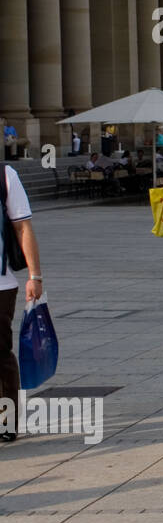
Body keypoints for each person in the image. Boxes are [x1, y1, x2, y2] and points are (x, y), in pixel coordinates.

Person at [0, 164, 42, 442]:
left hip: (1, 284)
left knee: (0, 353)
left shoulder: (5, 176)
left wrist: (34, 275)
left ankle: (7, 420)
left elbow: (22, 225)